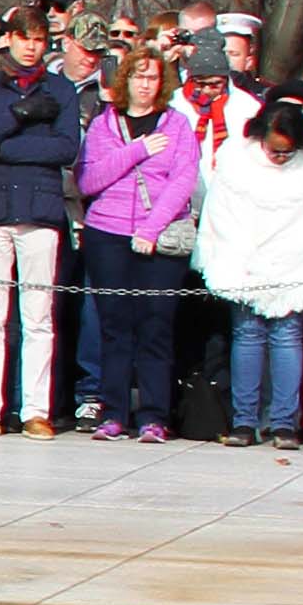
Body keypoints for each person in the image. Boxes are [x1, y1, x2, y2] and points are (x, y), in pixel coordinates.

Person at [194, 86, 303, 450]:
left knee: (287, 338)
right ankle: (244, 421)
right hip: (245, 263)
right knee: (248, 337)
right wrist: (247, 255)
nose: (280, 158)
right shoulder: (236, 156)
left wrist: (289, 254)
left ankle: (283, 423)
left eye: (287, 152)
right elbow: (223, 212)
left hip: (296, 265)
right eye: (273, 150)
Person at [0, 5, 81, 435]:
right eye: (24, 38)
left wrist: (4, 149)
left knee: (38, 316)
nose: (31, 47)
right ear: (8, 38)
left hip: (41, 210)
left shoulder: (61, 91)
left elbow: (65, 150)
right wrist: (17, 117)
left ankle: (36, 410)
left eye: (39, 40)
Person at [75, 44, 205, 443]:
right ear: (125, 80)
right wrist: (138, 150)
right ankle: (113, 412)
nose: (145, 85)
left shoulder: (177, 124)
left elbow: (183, 180)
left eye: (153, 77)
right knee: (115, 328)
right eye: (139, 76)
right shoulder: (104, 125)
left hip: (159, 237)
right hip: (108, 233)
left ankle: (153, 415)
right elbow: (89, 180)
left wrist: (150, 229)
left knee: (155, 326)